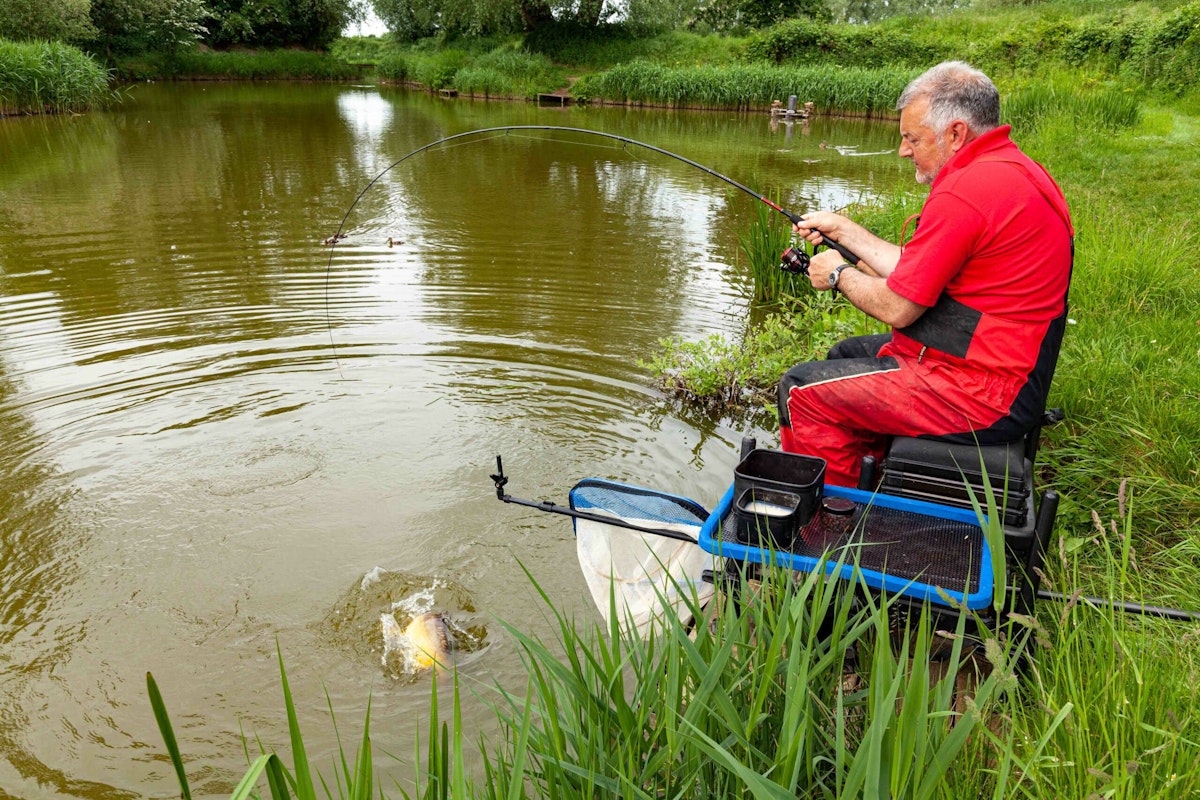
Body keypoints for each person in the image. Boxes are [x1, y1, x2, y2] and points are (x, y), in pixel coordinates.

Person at [778, 61, 1074, 488]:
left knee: (800, 391)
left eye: (912, 138)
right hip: (1003, 365)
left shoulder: (966, 191)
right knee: (843, 356)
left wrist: (838, 274)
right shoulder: (1010, 170)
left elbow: (898, 306)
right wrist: (844, 230)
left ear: (954, 133)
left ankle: (834, 523)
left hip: (986, 391)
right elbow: (918, 269)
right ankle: (878, 479)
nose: (904, 151)